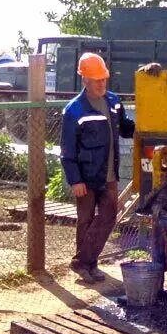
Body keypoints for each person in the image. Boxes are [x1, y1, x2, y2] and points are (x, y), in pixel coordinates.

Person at [60, 52, 135, 282]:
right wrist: (75, 180)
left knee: (109, 216)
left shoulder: (113, 102)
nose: (102, 84)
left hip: (109, 175)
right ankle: (88, 266)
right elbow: (67, 150)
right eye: (97, 80)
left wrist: (146, 126)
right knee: (85, 220)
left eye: (104, 79)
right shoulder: (74, 110)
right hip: (86, 176)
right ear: (85, 80)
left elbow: (125, 128)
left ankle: (82, 262)